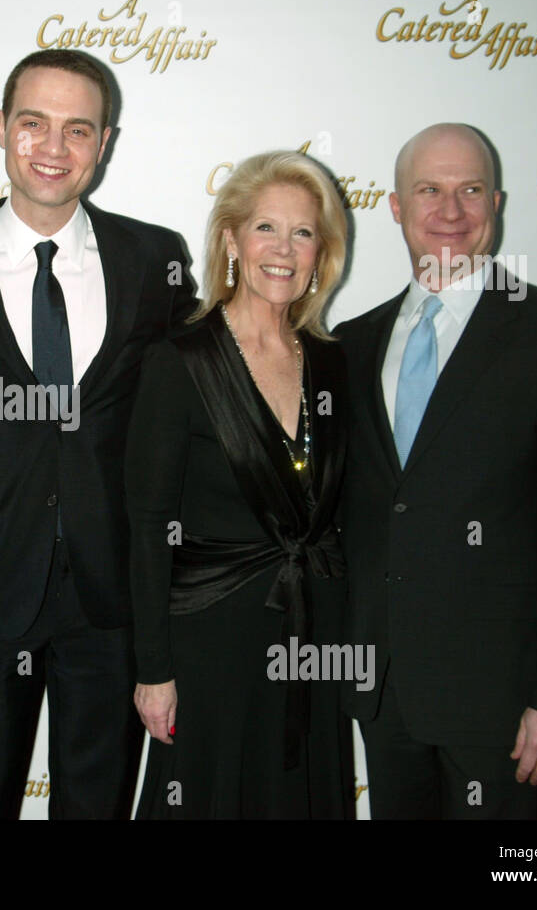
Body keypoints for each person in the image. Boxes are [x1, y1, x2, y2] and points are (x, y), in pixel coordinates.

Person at [0, 49, 197, 819]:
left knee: (98, 800)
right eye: (34, 123)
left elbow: (191, 400)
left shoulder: (155, 258)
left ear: (104, 143)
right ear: (2, 128)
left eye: (78, 130)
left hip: (113, 587)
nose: (53, 147)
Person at [334, 123, 537, 819]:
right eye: (428, 191)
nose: (450, 211)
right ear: (396, 207)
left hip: (508, 706)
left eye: (470, 190)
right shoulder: (350, 345)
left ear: (496, 203)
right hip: (384, 696)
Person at [127, 151, 353, 819]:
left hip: (314, 633)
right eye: (266, 229)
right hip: (210, 643)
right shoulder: (179, 362)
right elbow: (146, 525)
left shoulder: (335, 362)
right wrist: (153, 669)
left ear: (321, 253)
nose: (284, 250)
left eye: (303, 233)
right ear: (231, 239)